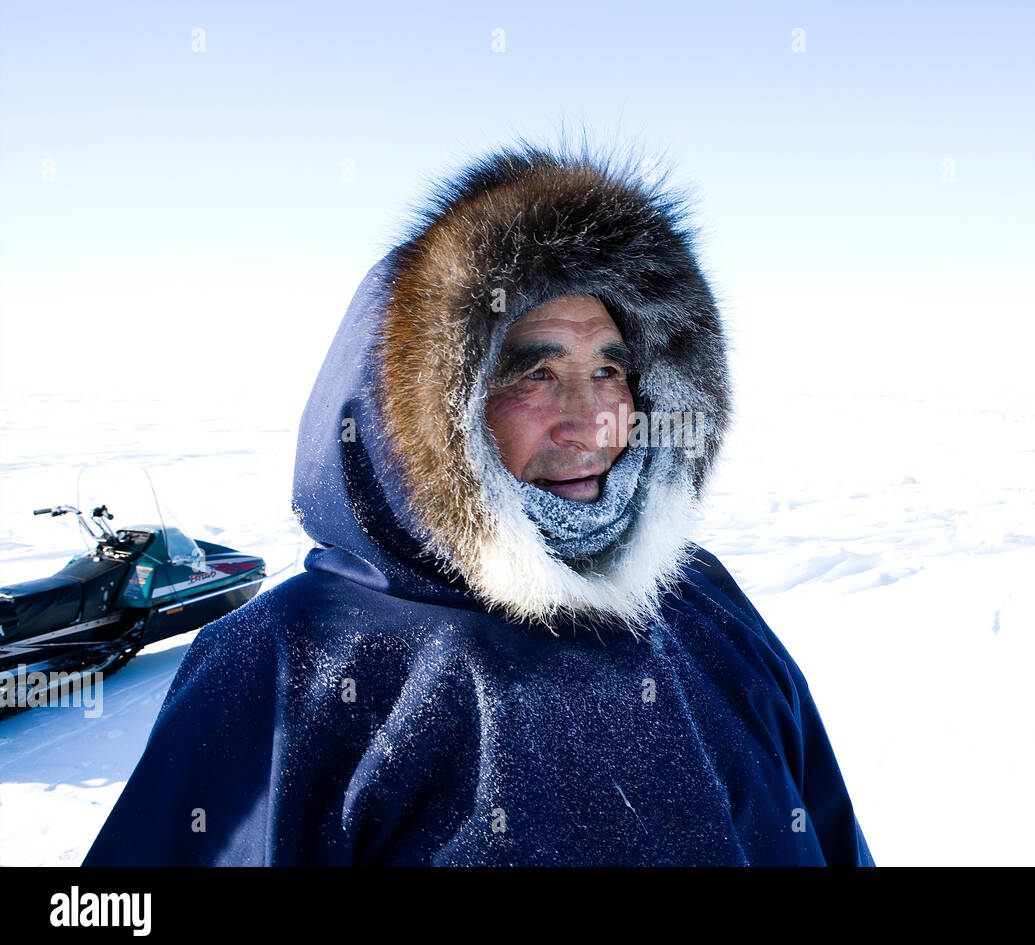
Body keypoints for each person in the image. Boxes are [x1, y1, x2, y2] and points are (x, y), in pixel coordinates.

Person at [81, 139, 876, 866]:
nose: (591, 420)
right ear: (424, 412)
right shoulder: (292, 663)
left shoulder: (698, 603)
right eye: (534, 372)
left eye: (609, 369)